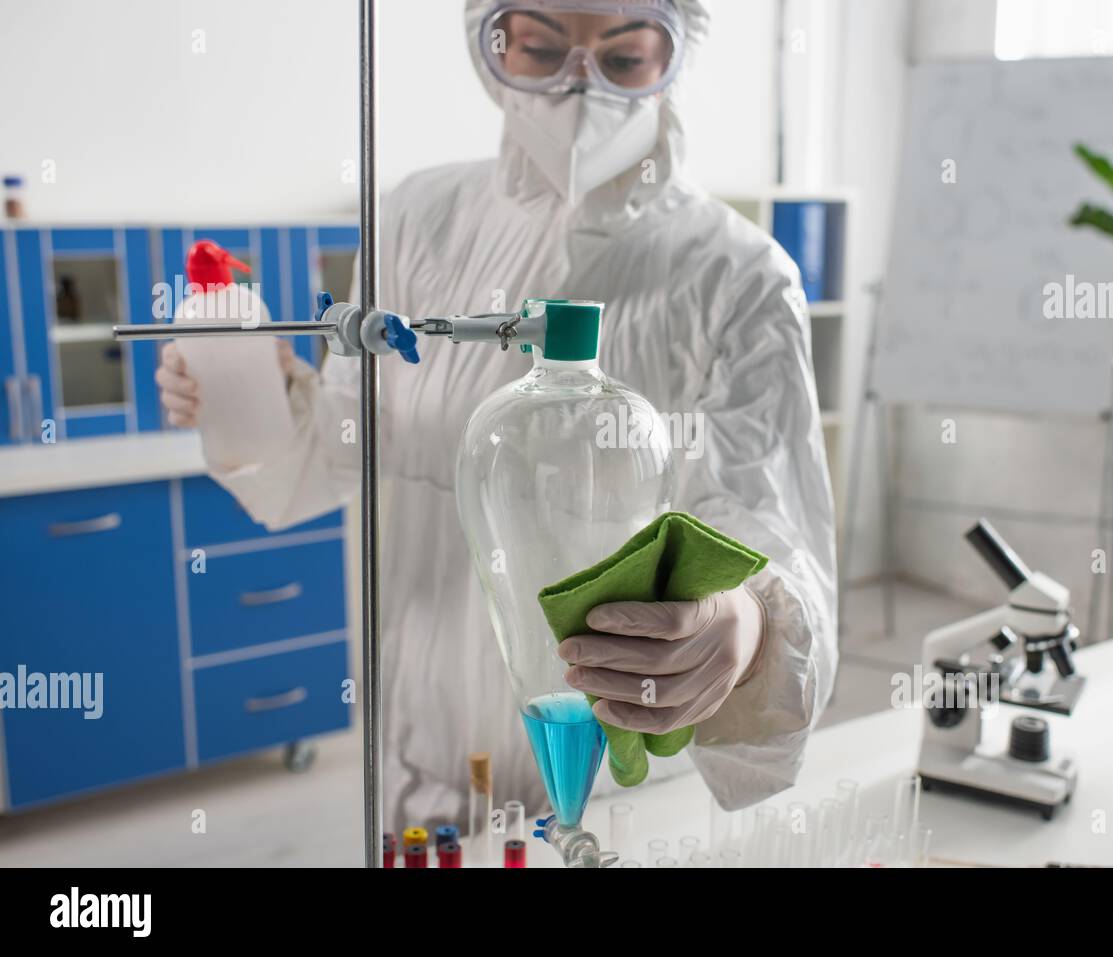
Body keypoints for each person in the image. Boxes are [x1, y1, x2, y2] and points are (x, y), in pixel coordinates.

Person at [156, 0, 837, 828]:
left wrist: (750, 623)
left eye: (623, 59)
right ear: (493, 46)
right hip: (429, 770)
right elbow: (324, 462)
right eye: (544, 49)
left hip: (632, 786)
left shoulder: (739, 275)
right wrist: (252, 392)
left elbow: (775, 528)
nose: (579, 88)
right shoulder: (414, 220)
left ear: (677, 54)